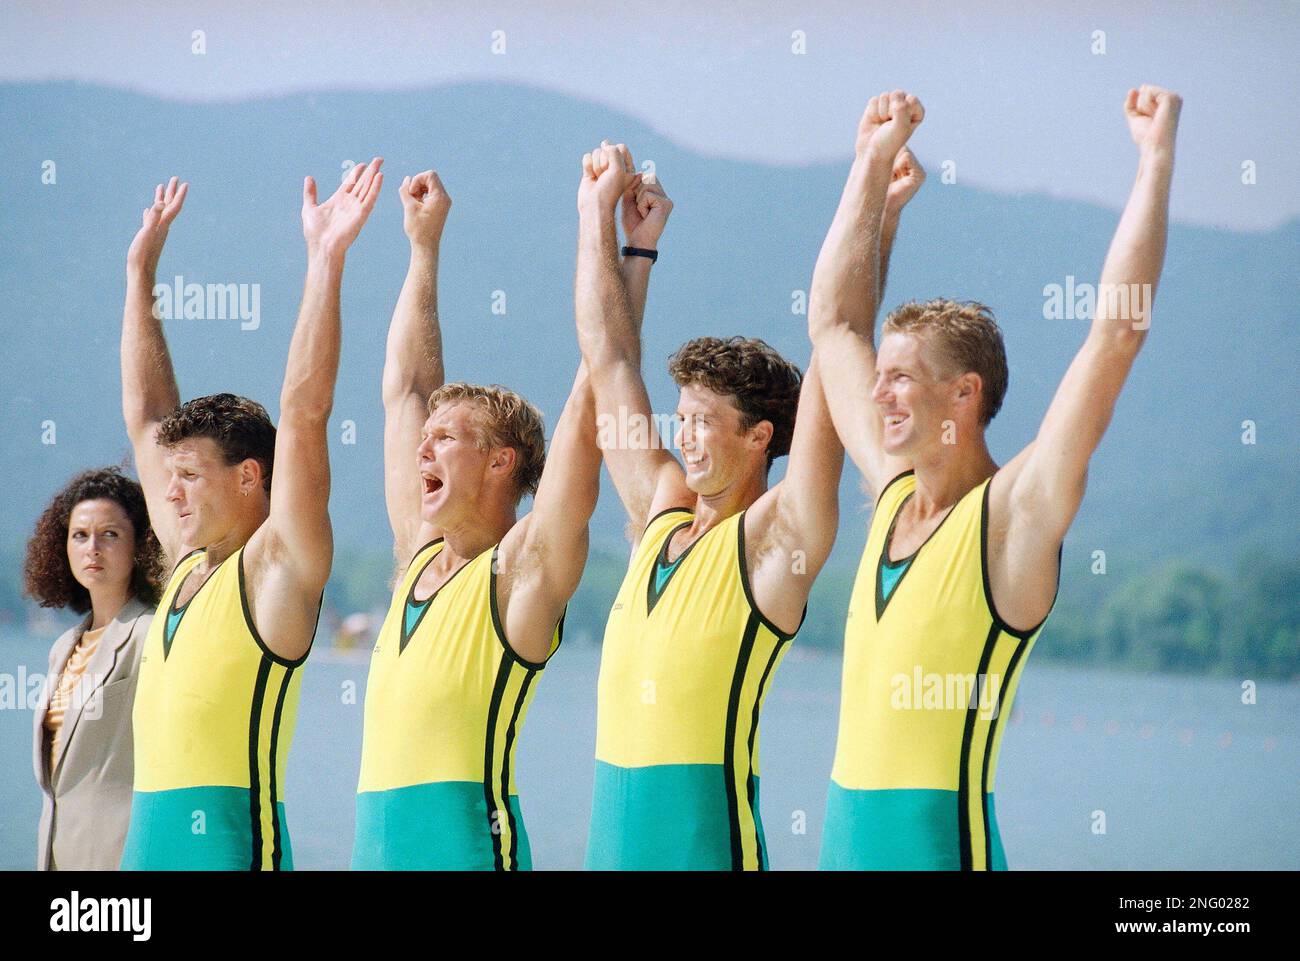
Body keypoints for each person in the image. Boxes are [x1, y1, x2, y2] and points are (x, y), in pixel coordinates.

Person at [811, 87, 1181, 869]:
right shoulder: (890, 494)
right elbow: (834, 326)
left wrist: (1154, 159)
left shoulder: (1011, 518)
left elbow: (1115, 335)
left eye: (902, 378)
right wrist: (869, 167)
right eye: (881, 377)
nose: (878, 395)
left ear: (964, 395)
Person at [350, 161, 649, 869]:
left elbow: (596, 388)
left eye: (446, 437)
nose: (423, 444)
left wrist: (619, 240)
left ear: (500, 461)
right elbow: (407, 388)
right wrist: (423, 247)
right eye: (428, 439)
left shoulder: (518, 576)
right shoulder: (417, 554)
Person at [575, 142, 853, 871]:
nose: (685, 436)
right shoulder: (660, 510)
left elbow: (837, 342)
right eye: (680, 417)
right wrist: (607, 224)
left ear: (760, 437)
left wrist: (869, 185)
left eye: (704, 420)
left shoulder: (772, 543)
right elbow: (608, 358)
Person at [117, 162, 384, 869]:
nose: (167, 494)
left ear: (249, 476)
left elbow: (303, 413)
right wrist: (139, 276)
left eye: (188, 476)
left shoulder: (275, 571)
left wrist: (325, 259)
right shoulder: (185, 562)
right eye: (168, 477)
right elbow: (147, 417)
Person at [25, 467, 163, 870]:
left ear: (140, 544)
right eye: (80, 535)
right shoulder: (63, 647)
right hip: (56, 857)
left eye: (110, 534)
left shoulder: (151, 633)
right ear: (61, 546)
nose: (93, 548)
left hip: (121, 860)